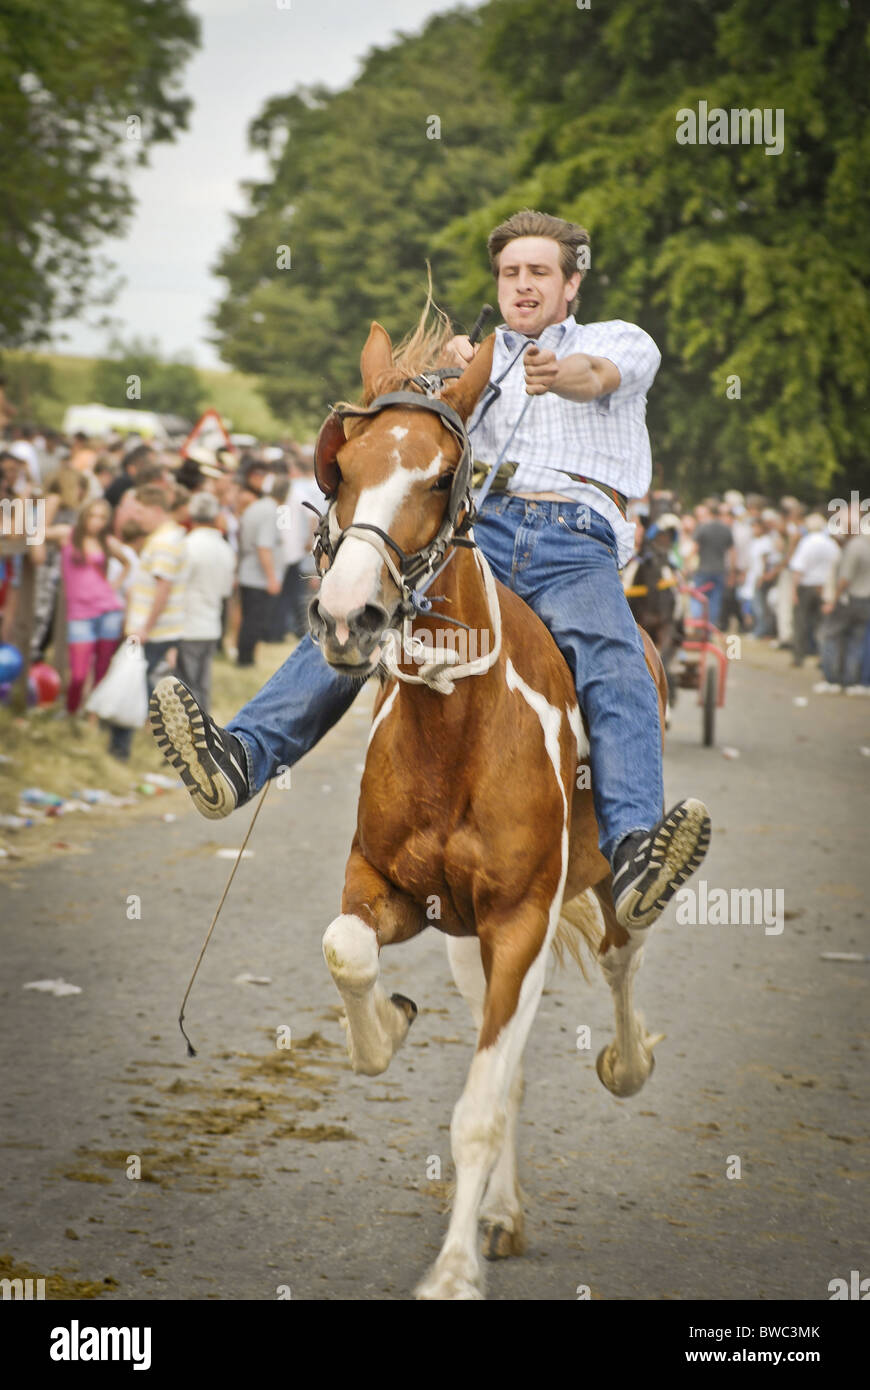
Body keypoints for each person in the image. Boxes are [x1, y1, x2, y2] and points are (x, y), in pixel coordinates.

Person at [149, 209, 711, 931]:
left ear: (572, 284)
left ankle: (634, 849)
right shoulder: (471, 362)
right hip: (481, 529)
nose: (523, 284)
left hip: (574, 536)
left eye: (540, 271)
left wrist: (550, 371)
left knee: (616, 658)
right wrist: (448, 379)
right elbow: (412, 446)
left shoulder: (615, 341)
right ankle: (240, 760)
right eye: (510, 272)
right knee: (358, 611)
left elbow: (595, 376)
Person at [109, 484, 189, 759]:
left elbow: (162, 589)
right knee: (147, 685)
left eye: (141, 512)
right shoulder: (168, 536)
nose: (137, 519)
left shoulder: (164, 542)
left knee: (136, 686)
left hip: (152, 630)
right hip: (158, 628)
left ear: (156, 511)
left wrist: (145, 627)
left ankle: (120, 748)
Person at [56, 498, 130, 714]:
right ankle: (70, 710)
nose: (96, 522)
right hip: (79, 613)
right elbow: (35, 533)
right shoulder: (67, 535)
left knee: (102, 669)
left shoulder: (107, 542)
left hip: (108, 611)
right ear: (84, 515)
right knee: (78, 674)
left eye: (101, 518)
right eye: (92, 516)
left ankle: (94, 713)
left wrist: (114, 585)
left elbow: (127, 563)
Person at [176, 492, 236, 708]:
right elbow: (225, 589)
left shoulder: (187, 545)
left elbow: (178, 587)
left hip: (188, 622)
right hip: (211, 622)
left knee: (187, 686)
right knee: (202, 684)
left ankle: (192, 732)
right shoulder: (225, 548)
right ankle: (204, 730)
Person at [235, 460, 284, 666]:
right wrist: (272, 578)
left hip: (249, 571)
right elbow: (264, 546)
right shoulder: (269, 510)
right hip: (258, 576)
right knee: (253, 621)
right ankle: (245, 659)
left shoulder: (258, 506)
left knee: (249, 618)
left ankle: (245, 656)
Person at [789, 514, 839, 666]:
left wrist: (793, 591)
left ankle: (798, 656)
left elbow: (798, 568)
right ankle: (822, 657)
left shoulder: (807, 542)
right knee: (822, 625)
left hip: (806, 586)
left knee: (800, 623)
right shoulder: (831, 544)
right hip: (824, 587)